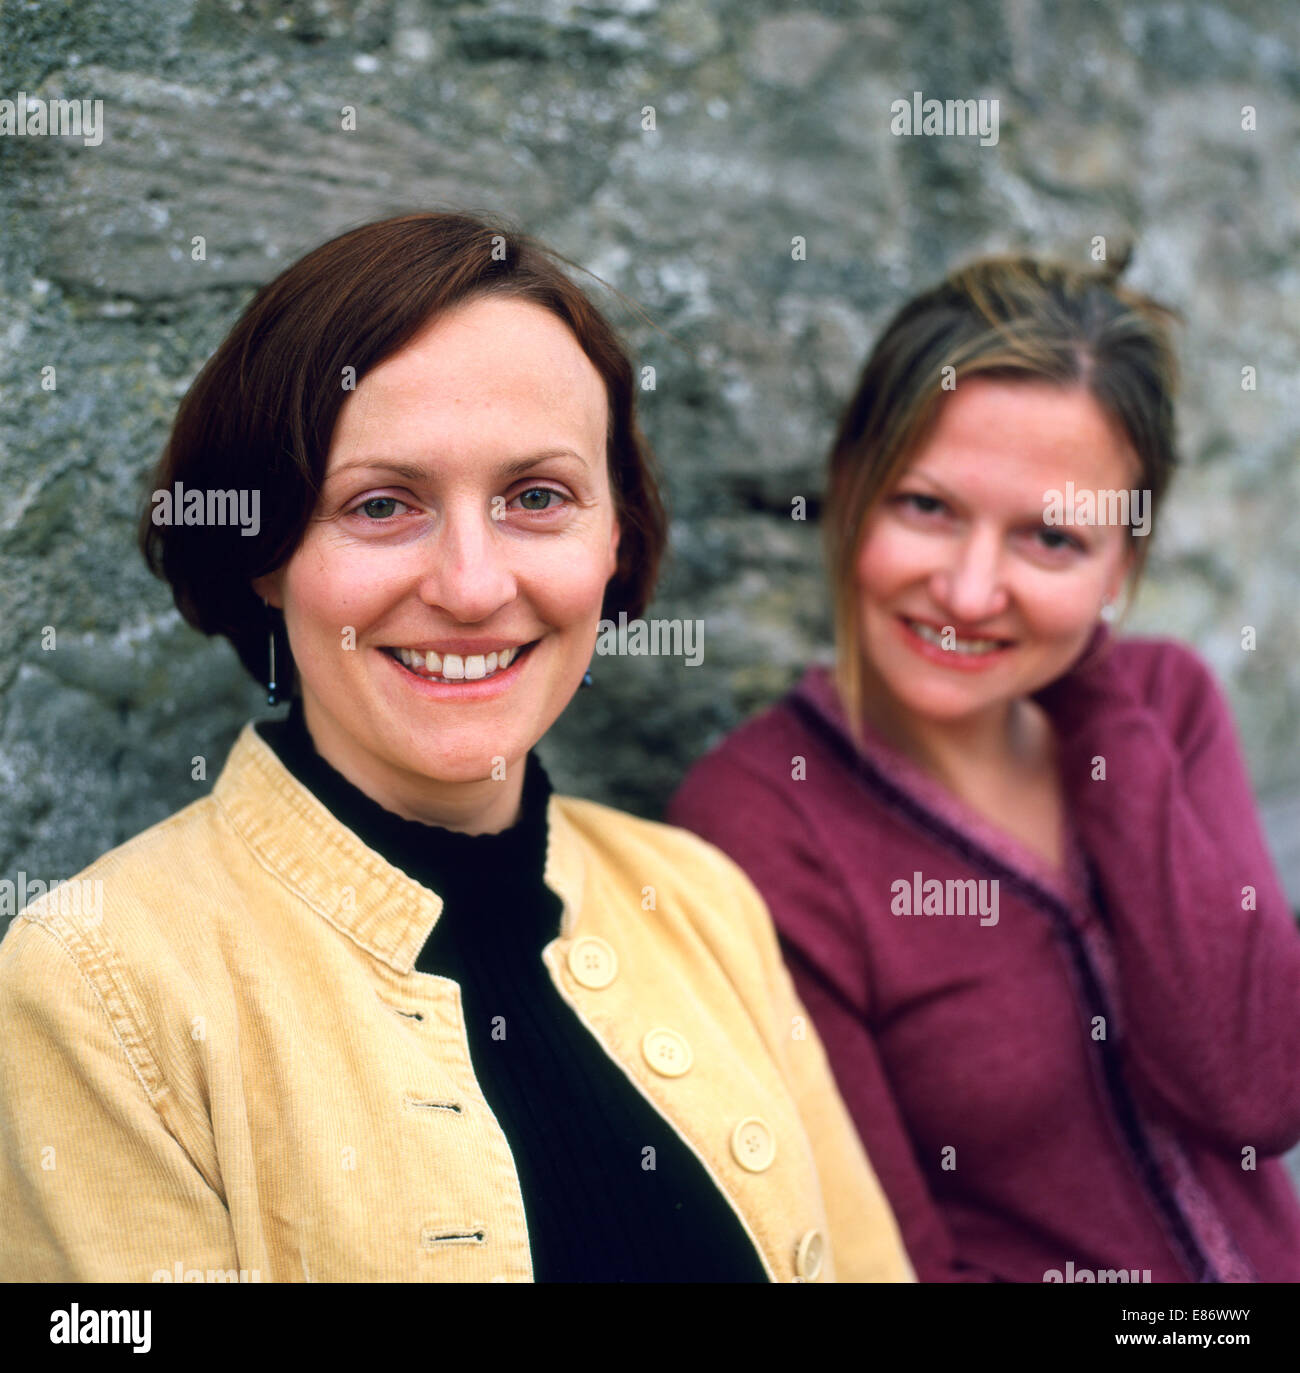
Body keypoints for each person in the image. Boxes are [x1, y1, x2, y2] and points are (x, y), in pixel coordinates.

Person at [0, 211, 912, 1284]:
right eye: (382, 504)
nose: (473, 586)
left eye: (537, 497)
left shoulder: (702, 898)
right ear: (263, 551)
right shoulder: (94, 986)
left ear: (615, 536)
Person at [667, 254, 1300, 1283]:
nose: (966, 590)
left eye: (1050, 537)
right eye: (925, 505)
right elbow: (891, 1265)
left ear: (1123, 566)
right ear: (848, 488)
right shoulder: (760, 822)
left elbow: (1254, 1094)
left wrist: (1092, 693)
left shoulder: (1165, 707)